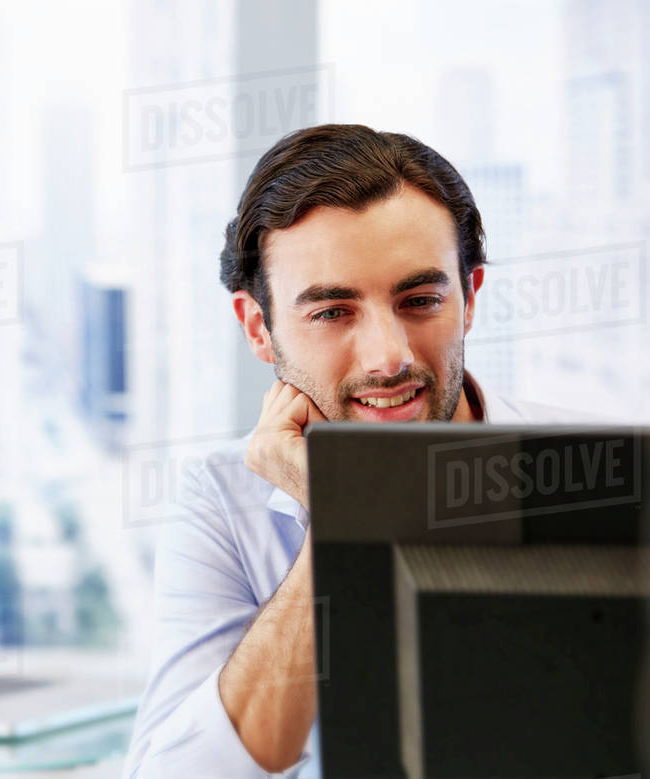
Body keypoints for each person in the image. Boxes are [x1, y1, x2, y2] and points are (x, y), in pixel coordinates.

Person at [123, 124, 583, 778]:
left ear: (471, 297)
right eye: (334, 312)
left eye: (420, 300)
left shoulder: (597, 469)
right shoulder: (222, 501)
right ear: (260, 328)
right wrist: (342, 519)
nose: (388, 355)